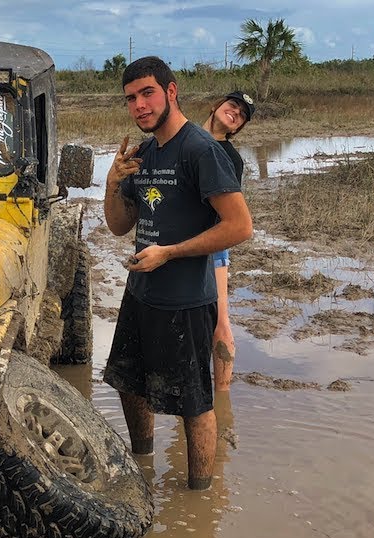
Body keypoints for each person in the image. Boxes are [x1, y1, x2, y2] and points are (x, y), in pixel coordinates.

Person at [102, 57, 253, 491]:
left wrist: (169, 253)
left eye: (147, 93)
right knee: (128, 381)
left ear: (171, 92)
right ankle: (142, 464)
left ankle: (200, 494)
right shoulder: (144, 153)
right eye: (131, 98)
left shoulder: (201, 150)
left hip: (187, 297)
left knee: (194, 402)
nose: (139, 106)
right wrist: (112, 183)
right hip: (141, 290)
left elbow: (239, 227)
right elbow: (118, 225)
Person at [202, 90, 255, 390]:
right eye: (232, 106)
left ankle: (222, 394)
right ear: (216, 106)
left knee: (220, 320)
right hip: (177, 240)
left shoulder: (230, 159)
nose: (235, 113)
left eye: (241, 116)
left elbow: (229, 215)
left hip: (212, 244)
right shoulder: (184, 138)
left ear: (237, 128)